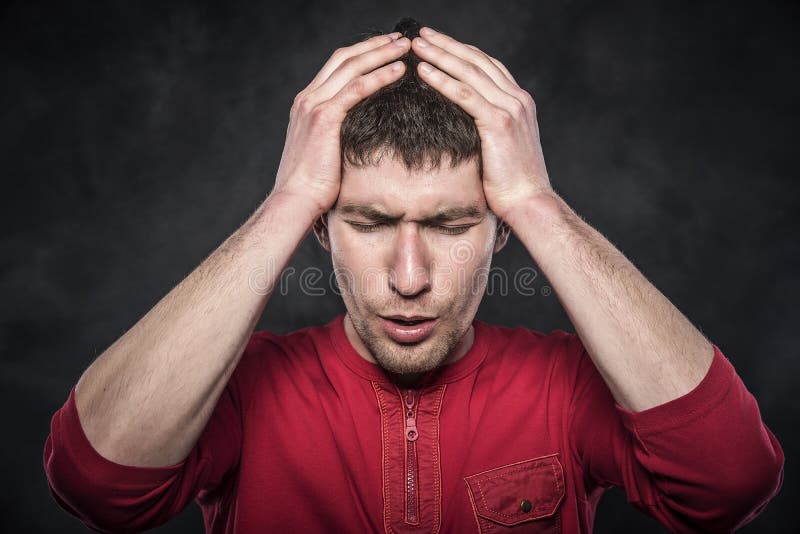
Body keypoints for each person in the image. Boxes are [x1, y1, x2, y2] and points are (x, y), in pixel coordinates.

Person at [43, 17, 783, 533]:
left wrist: (535, 199)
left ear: (500, 233)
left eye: (452, 224)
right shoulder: (237, 390)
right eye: (368, 223)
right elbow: (97, 487)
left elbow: (728, 487)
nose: (408, 277)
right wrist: (290, 198)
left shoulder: (567, 385)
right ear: (323, 228)